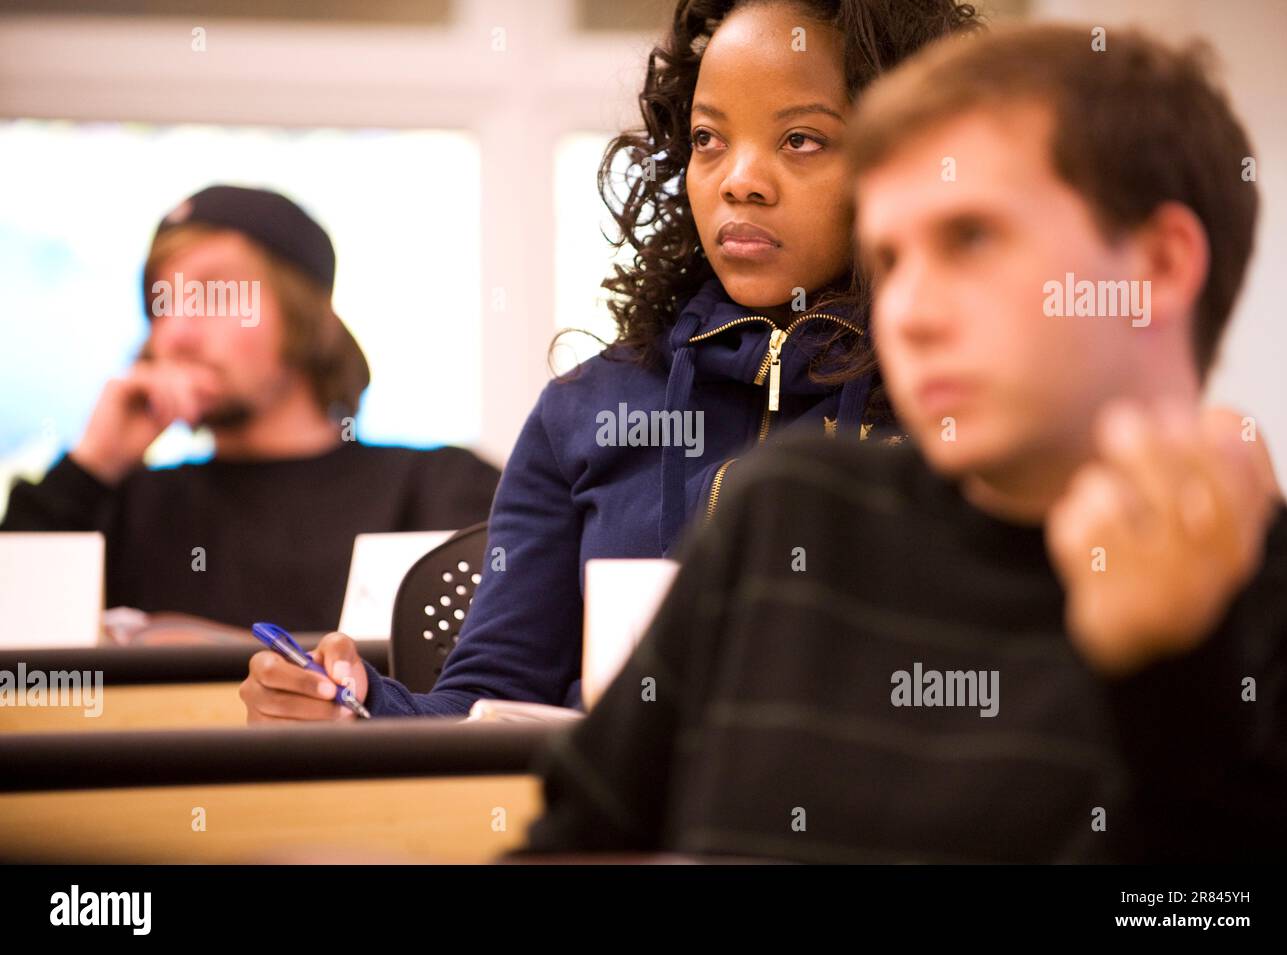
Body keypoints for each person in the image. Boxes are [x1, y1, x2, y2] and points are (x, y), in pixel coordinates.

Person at [521, 24, 1287, 863]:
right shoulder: (790, 512)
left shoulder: (1275, 614)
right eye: (890, 258)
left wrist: (1174, 677)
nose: (911, 314)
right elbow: (571, 844)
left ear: (1156, 267)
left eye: (971, 239)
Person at [238, 0, 982, 722]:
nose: (738, 180)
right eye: (708, 139)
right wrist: (357, 703)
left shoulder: (970, 401)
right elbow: (486, 703)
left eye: (801, 141)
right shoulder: (588, 409)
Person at [2, 185, 500, 631]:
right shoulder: (126, 508)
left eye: (215, 297)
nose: (176, 333)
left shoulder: (439, 490)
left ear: (303, 315)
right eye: (161, 305)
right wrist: (91, 466)